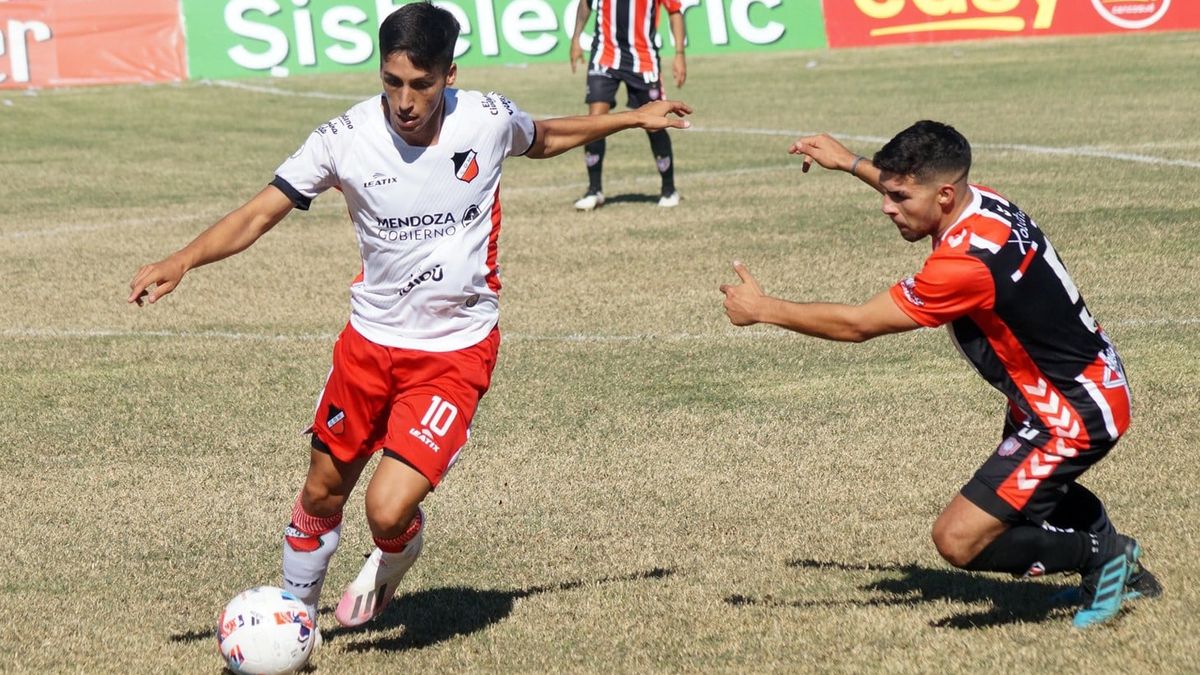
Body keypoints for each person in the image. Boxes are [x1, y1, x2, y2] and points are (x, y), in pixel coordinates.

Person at [128, 1, 690, 635]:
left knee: (386, 510)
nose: (404, 100)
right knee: (320, 493)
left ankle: (396, 554)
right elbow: (259, 213)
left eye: (420, 84)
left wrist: (633, 117)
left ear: (450, 74)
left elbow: (547, 137)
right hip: (368, 345)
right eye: (391, 81)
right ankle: (295, 617)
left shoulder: (485, 118)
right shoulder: (342, 139)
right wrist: (185, 258)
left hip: (455, 352)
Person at [719, 121, 1161, 628]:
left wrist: (764, 309)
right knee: (1030, 498)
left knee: (958, 539)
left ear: (944, 194)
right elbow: (922, 192)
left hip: (1069, 413)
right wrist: (851, 163)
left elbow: (857, 324)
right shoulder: (985, 204)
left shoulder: (964, 264)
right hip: (1068, 385)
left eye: (898, 195)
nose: (887, 206)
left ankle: (1107, 557)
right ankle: (1118, 569)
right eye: (888, 192)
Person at [569, 0, 686, 210]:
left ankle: (669, 189)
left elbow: (675, 12)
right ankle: (594, 190)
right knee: (595, 121)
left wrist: (679, 54)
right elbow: (585, 3)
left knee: (655, 124)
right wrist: (576, 38)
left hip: (643, 60)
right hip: (605, 56)